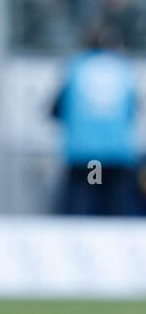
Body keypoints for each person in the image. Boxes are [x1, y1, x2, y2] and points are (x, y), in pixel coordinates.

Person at [51, 23, 142, 216]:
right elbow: (132, 110)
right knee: (116, 210)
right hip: (116, 153)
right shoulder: (122, 68)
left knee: (83, 209)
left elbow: (56, 110)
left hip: (85, 154)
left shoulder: (76, 67)